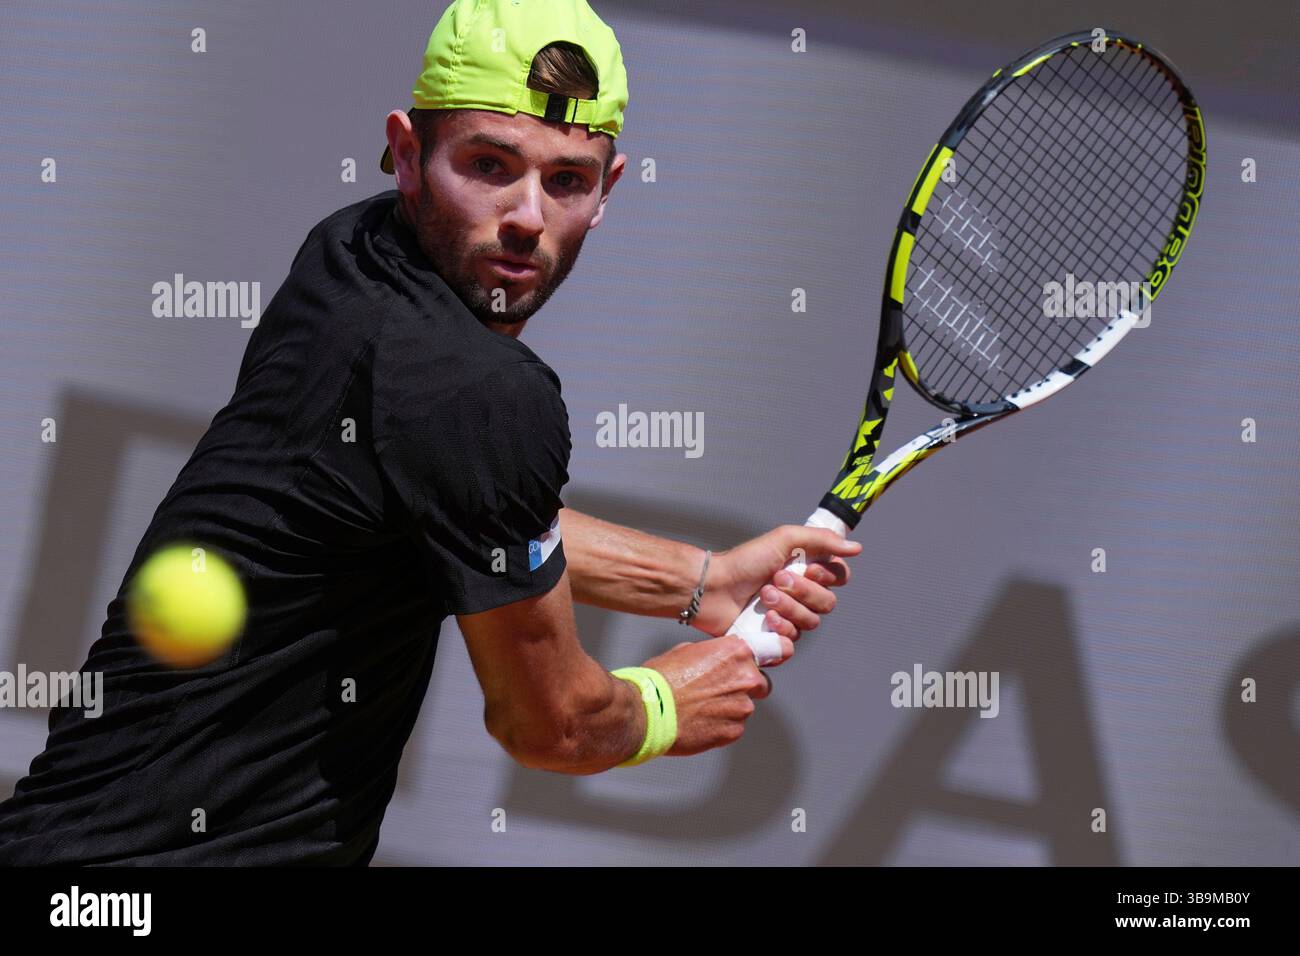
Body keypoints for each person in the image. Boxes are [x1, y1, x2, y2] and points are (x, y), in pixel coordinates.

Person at [0, 0, 860, 865]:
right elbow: (550, 724)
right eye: (490, 165)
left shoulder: (350, 253)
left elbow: (438, 507)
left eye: (566, 179)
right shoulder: (481, 393)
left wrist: (697, 579)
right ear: (407, 154)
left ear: (608, 191)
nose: (527, 215)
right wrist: (667, 704)